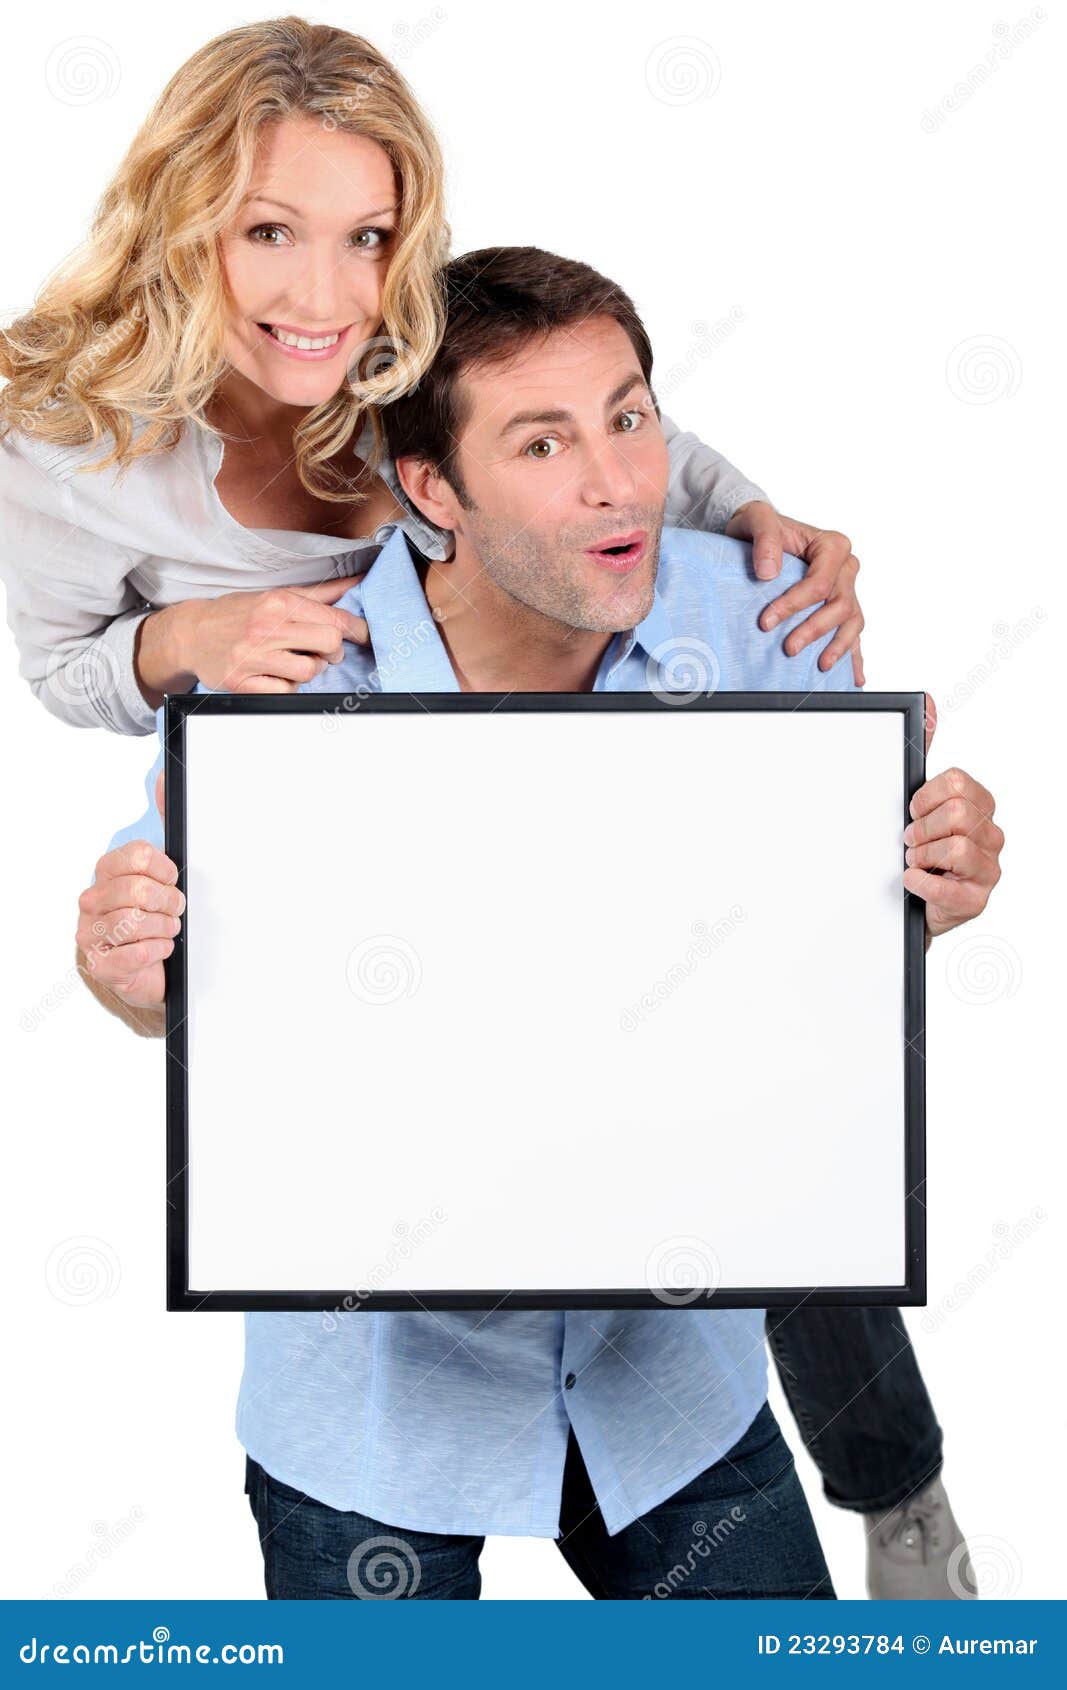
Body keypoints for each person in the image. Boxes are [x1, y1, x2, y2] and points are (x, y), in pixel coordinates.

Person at [74, 248, 1003, 1600]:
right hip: (377, 1410)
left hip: (665, 1387)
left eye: (629, 417)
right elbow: (155, 974)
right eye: (542, 442)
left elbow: (817, 992)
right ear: (432, 491)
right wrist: (125, 967)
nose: (618, 480)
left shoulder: (758, 619)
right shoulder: (287, 679)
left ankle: (899, 1484)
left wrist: (929, 890)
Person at [0, 17, 862, 741]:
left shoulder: (414, 333)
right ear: (180, 225)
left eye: (367, 236)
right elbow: (59, 674)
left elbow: (602, 429)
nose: (324, 298)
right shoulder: (67, 449)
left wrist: (756, 527)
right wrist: (180, 637)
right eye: (269, 232)